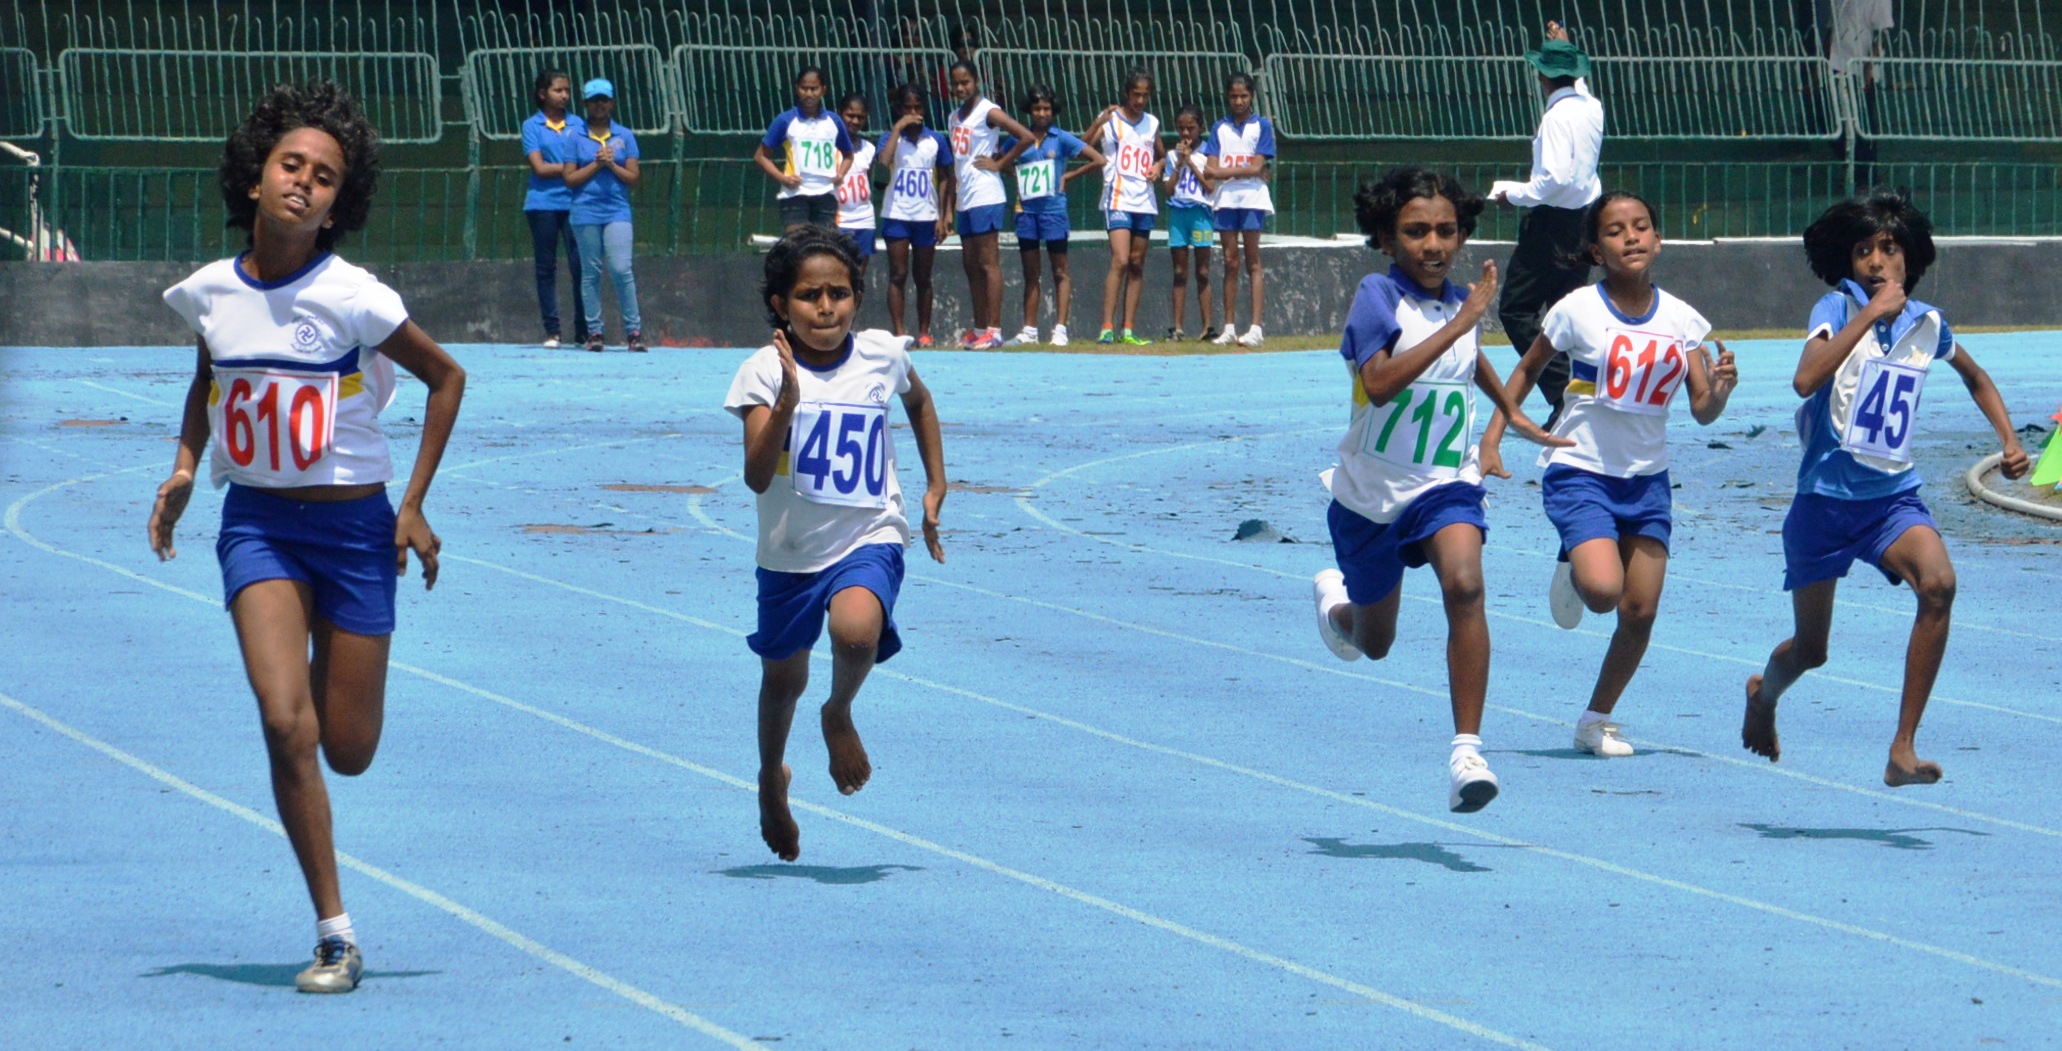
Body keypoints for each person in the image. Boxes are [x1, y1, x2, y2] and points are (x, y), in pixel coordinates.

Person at [149, 81, 466, 995]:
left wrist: (411, 505)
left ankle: (338, 633)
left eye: (325, 177)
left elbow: (447, 380)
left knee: (348, 746)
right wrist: (182, 468)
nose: (305, 184)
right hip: (259, 527)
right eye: (291, 165)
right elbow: (210, 380)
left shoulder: (355, 296)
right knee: (287, 722)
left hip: (357, 530)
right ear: (255, 175)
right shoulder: (211, 292)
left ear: (340, 200)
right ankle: (335, 933)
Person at [1742, 189, 2029, 785]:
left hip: (1891, 501)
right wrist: (1870, 315)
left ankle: (1902, 747)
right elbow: (1805, 380)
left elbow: (1976, 377)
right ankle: (1763, 696)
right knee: (1811, 651)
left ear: (1910, 259)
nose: (1875, 261)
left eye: (1889, 248)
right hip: (1823, 504)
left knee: (1940, 584)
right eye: (1864, 250)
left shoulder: (1930, 325)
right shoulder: (1836, 307)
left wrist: (2008, 440)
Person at [1309, 167, 1566, 814]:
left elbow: (1471, 356)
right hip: (1370, 496)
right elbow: (1383, 382)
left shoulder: (1459, 304)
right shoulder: (1376, 296)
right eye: (1416, 231)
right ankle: (1336, 605)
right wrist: (1463, 322)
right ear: (1388, 237)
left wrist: (1512, 412)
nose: (1433, 244)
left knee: (1465, 582)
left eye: (1446, 231)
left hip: (1444, 484)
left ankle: (1467, 751)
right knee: (1375, 641)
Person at [1478, 191, 1737, 757]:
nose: (1632, 238)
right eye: (1616, 231)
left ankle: (1596, 719)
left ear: (1658, 239)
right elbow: (1526, 370)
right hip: (1580, 468)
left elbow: (1701, 408)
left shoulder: (1682, 320)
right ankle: (1574, 561)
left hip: (1647, 481)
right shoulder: (1577, 310)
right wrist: (1494, 436)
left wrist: (1719, 388)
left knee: (1639, 611)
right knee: (1602, 593)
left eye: (1642, 227)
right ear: (1597, 248)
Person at [723, 227, 948, 862]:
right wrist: (790, 402)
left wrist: (935, 484)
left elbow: (920, 402)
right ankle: (771, 777)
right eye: (808, 296)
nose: (826, 309)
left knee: (856, 633)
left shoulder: (881, 353)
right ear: (778, 305)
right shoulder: (763, 372)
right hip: (791, 552)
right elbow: (757, 476)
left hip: (868, 532)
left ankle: (840, 711)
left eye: (839, 294)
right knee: (782, 679)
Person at [1490, 22, 1604, 427]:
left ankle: (1563, 392)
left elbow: (1551, 180)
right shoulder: (1591, 106)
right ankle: (1582, 392)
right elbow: (1583, 85)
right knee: (1566, 310)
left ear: (1541, 76)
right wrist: (1563, 44)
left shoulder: (1556, 119)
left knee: (1516, 310)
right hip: (1583, 220)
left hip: (1553, 224)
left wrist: (1512, 195)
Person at [1000, 83, 1102, 346]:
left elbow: (1098, 160)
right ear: (1030, 111)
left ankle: (1060, 329)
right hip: (1026, 212)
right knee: (1031, 273)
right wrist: (1017, 175)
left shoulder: (1062, 138)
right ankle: (1029, 330)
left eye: (1046, 108)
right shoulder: (1018, 138)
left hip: (1054, 212)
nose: (1042, 113)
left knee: (1060, 271)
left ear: (1053, 111)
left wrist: (1068, 175)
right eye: (1037, 109)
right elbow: (1000, 161)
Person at [945, 60, 1035, 349]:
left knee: (988, 263)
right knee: (970, 265)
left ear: (976, 81)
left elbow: (1026, 136)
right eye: (956, 83)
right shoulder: (953, 117)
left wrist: (999, 164)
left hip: (986, 194)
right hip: (965, 197)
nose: (961, 88)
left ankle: (994, 329)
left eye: (966, 82)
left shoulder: (988, 111)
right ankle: (979, 326)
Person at [1083, 69, 1163, 345]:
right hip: (1117, 197)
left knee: (1137, 263)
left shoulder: (1152, 123)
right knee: (1120, 259)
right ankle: (1106, 326)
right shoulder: (1111, 120)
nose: (1140, 100)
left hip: (1144, 199)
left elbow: (1162, 156)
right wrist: (1097, 123)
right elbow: (1081, 146)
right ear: (1126, 93)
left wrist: (1158, 167)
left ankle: (1128, 328)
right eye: (1136, 94)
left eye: (1145, 95)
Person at [563, 78, 644, 352]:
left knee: (622, 269)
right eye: (594, 100)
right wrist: (597, 164)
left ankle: (634, 332)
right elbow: (570, 179)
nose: (600, 105)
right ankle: (594, 332)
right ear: (586, 104)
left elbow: (633, 177)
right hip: (585, 211)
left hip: (617, 210)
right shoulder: (575, 137)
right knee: (591, 272)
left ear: (612, 103)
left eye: (604, 100)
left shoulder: (624, 136)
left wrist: (611, 164)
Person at [878, 82, 955, 347]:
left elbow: (946, 176)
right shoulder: (890, 138)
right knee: (898, 273)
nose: (913, 112)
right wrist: (898, 127)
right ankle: (900, 332)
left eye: (918, 107)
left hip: (926, 216)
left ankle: (924, 331)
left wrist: (945, 214)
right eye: (907, 107)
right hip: (897, 213)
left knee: (923, 276)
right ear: (899, 109)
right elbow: (884, 160)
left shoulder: (935, 140)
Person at [1203, 72, 1275, 347]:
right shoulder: (1218, 128)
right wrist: (1228, 173)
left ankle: (1256, 327)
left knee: (1253, 261)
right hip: (1226, 200)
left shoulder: (1262, 127)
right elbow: (1210, 171)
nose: (1239, 101)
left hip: (1253, 198)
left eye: (1244, 95)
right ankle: (1229, 327)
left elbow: (1257, 167)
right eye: (1234, 96)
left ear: (1252, 96)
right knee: (1230, 261)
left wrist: (1224, 171)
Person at [519, 69, 587, 349]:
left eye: (567, 91)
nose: (564, 96)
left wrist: (570, 168)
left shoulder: (579, 124)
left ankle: (584, 330)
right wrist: (571, 168)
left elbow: (586, 159)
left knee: (580, 266)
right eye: (558, 90)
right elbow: (539, 167)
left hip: (575, 203)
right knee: (546, 268)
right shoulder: (532, 126)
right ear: (542, 93)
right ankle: (553, 331)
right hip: (542, 203)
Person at [756, 67, 856, 232]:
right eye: (804, 88)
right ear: (797, 89)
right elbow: (760, 156)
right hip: (795, 194)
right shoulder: (786, 120)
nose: (809, 94)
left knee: (824, 245)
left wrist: (841, 174)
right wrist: (783, 178)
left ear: (823, 89)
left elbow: (848, 155)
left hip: (826, 193)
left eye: (814, 88)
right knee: (797, 242)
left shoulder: (834, 120)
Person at [1161, 104, 1215, 342]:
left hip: (1201, 214)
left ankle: (1207, 326)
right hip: (1178, 215)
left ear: (1200, 128)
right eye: (1181, 129)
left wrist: (1192, 163)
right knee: (1180, 271)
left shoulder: (1207, 153)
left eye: (1190, 129)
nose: (1185, 134)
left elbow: (1210, 186)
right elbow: (1168, 190)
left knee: (1203, 271)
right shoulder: (1172, 156)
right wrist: (1180, 163)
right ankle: (1178, 326)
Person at [833, 92, 878, 278]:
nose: (855, 121)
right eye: (850, 115)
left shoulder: (869, 148)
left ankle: (855, 308)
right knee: (838, 274)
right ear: (840, 114)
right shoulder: (831, 148)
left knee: (858, 277)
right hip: (839, 220)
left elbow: (869, 178)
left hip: (864, 219)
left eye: (860, 117)